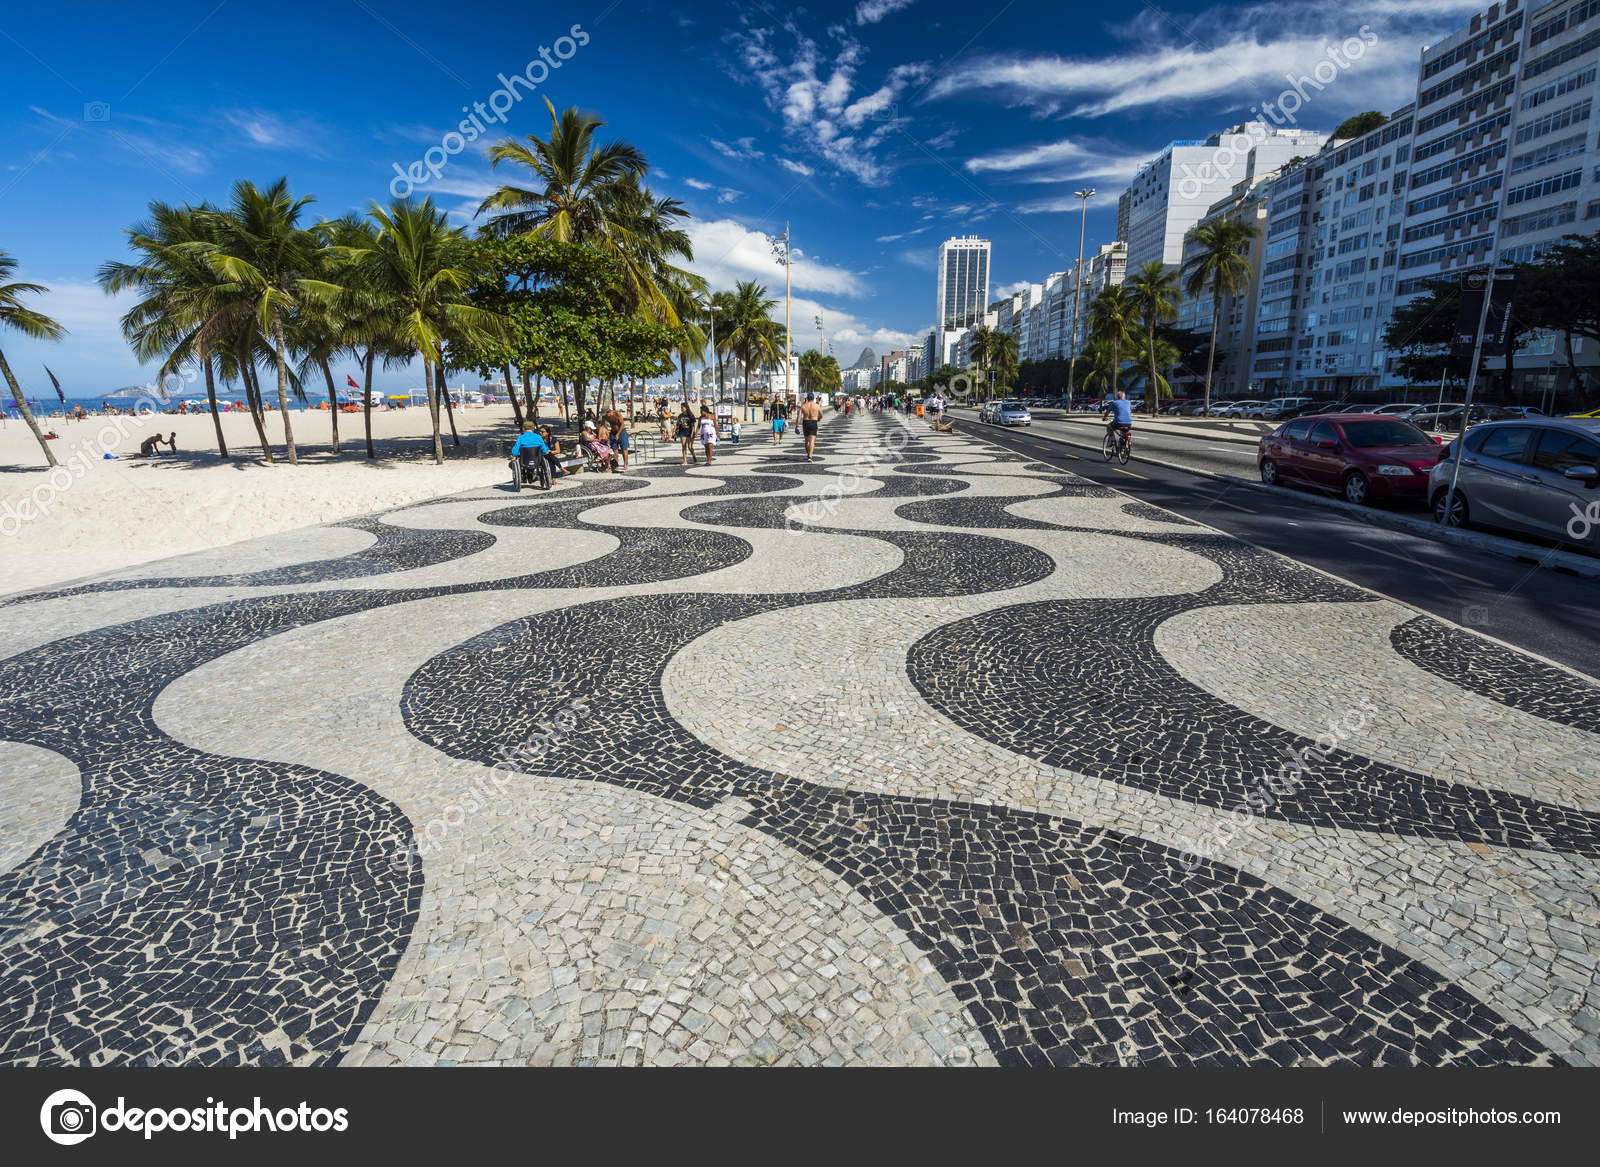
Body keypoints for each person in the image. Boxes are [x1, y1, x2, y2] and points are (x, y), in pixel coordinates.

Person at [603, 405, 631, 471]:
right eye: (606, 414)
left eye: (609, 413)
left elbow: (622, 424)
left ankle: (625, 464)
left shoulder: (617, 414)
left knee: (624, 448)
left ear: (611, 412)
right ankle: (616, 463)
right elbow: (602, 425)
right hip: (613, 432)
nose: (608, 415)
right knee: (614, 449)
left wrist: (618, 434)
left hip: (622, 432)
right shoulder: (605, 417)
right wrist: (603, 433)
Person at [798, 392, 823, 462]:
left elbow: (799, 416)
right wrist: (819, 418)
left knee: (806, 441)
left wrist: (797, 425)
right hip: (813, 422)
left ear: (807, 398)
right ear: (813, 398)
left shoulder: (803, 406)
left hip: (805, 423)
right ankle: (810, 456)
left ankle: (808, 454)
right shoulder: (817, 406)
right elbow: (821, 414)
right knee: (812, 441)